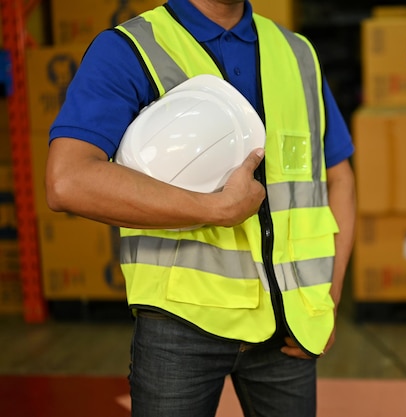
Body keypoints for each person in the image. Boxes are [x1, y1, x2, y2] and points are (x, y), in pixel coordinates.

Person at [45, 1, 356, 416]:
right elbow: (69, 181)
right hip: (179, 329)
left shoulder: (297, 52)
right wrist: (214, 209)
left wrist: (327, 302)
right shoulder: (130, 48)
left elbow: (340, 178)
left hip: (289, 327)